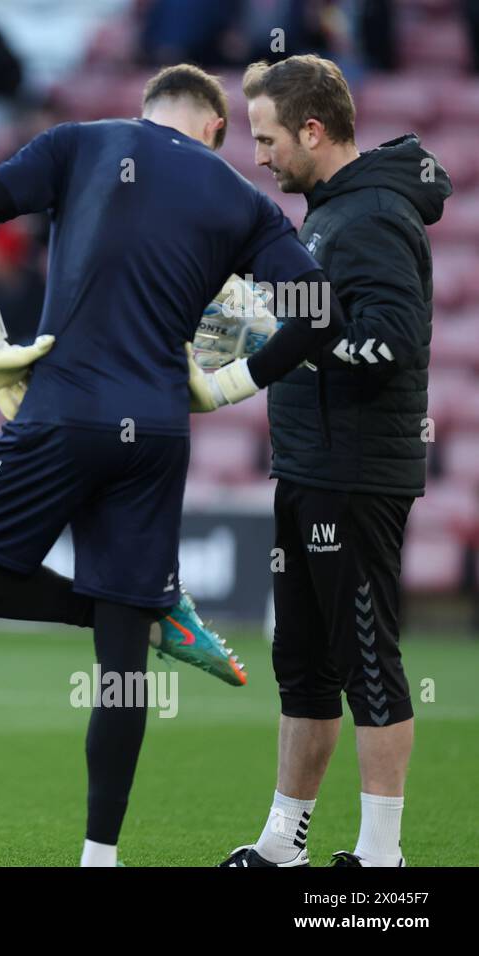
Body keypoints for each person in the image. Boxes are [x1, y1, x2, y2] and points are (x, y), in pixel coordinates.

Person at [0, 63, 350, 866]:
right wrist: (226, 387)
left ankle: (135, 612)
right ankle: (100, 856)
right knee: (120, 670)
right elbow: (321, 313)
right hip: (155, 432)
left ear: (148, 108)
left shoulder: (80, 144)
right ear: (214, 128)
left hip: (62, 414)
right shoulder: (242, 200)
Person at [220, 54, 450, 868]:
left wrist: (290, 340)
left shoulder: (372, 215)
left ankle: (382, 857)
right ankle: (284, 843)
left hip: (355, 473)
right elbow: (327, 326)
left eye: (268, 138)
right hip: (311, 465)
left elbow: (391, 342)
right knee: (304, 666)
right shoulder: (330, 213)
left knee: (366, 661)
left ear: (313, 130)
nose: (259, 155)